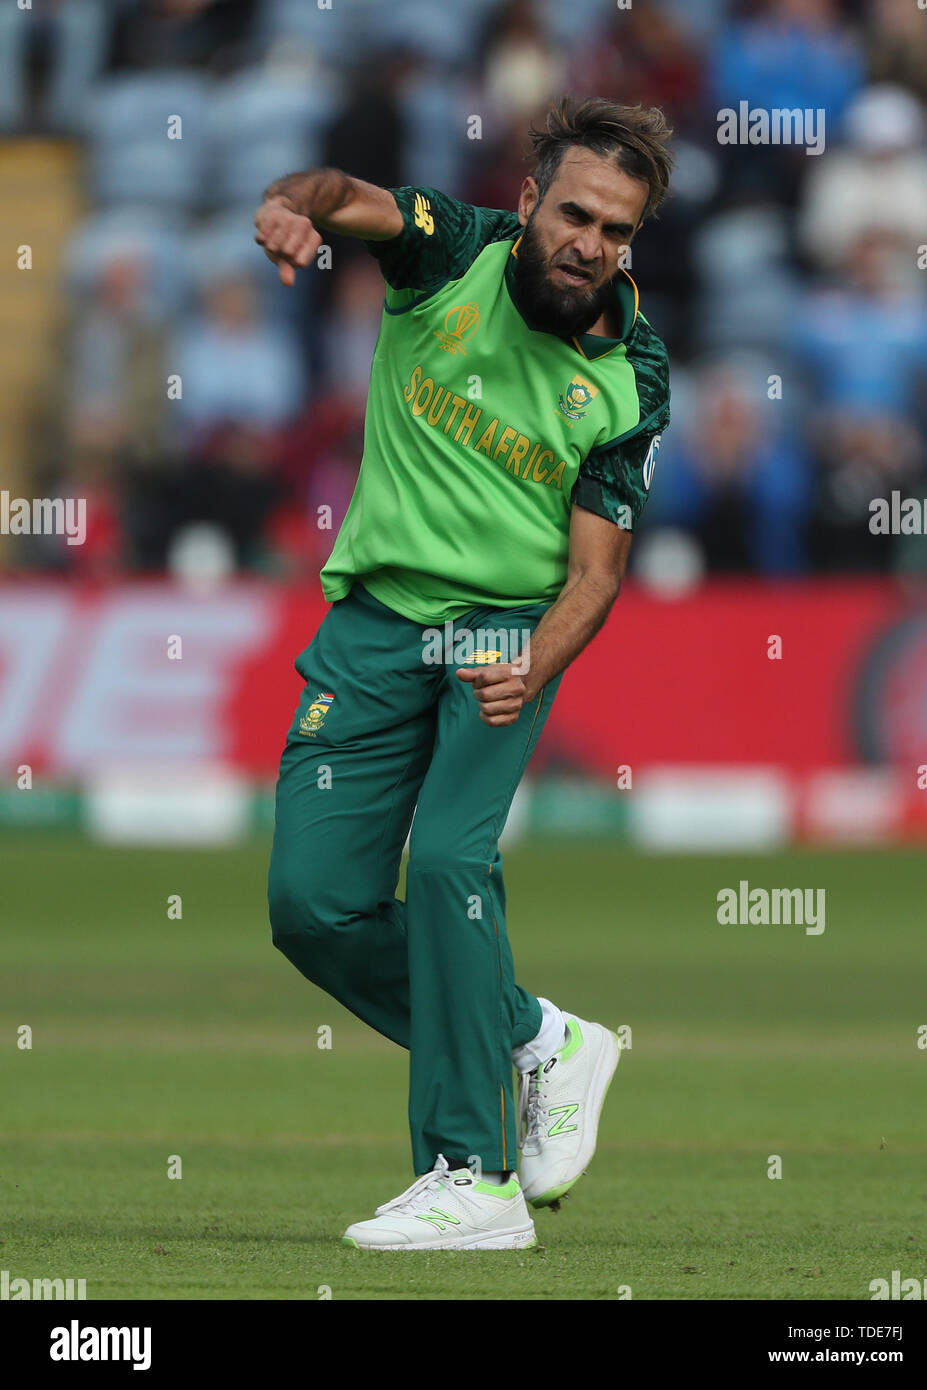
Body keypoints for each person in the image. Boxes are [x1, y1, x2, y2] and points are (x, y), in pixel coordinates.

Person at [256, 95, 673, 1251]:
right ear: (530, 200)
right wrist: (288, 206)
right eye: (575, 214)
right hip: (376, 624)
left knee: (446, 861)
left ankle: (473, 1178)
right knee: (311, 907)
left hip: (499, 631)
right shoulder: (454, 249)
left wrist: (532, 661)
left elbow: (594, 573)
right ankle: (540, 1034)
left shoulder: (630, 373)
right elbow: (344, 197)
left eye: (619, 232)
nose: (591, 244)